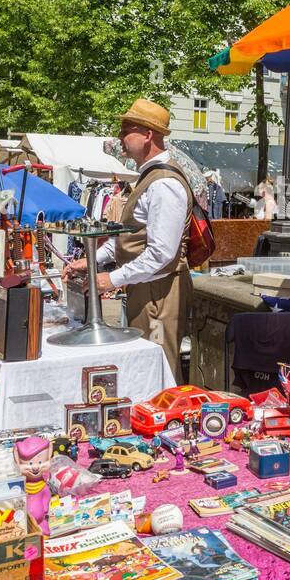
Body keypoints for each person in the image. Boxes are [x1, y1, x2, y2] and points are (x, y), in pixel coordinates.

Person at [65, 99, 193, 380]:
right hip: (147, 287)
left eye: (126, 130)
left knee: (161, 368)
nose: (121, 137)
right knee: (147, 364)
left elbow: (162, 253)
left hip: (160, 290)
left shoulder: (164, 184)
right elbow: (130, 236)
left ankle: (166, 422)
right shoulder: (150, 178)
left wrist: (111, 279)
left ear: (148, 134)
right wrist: (89, 261)